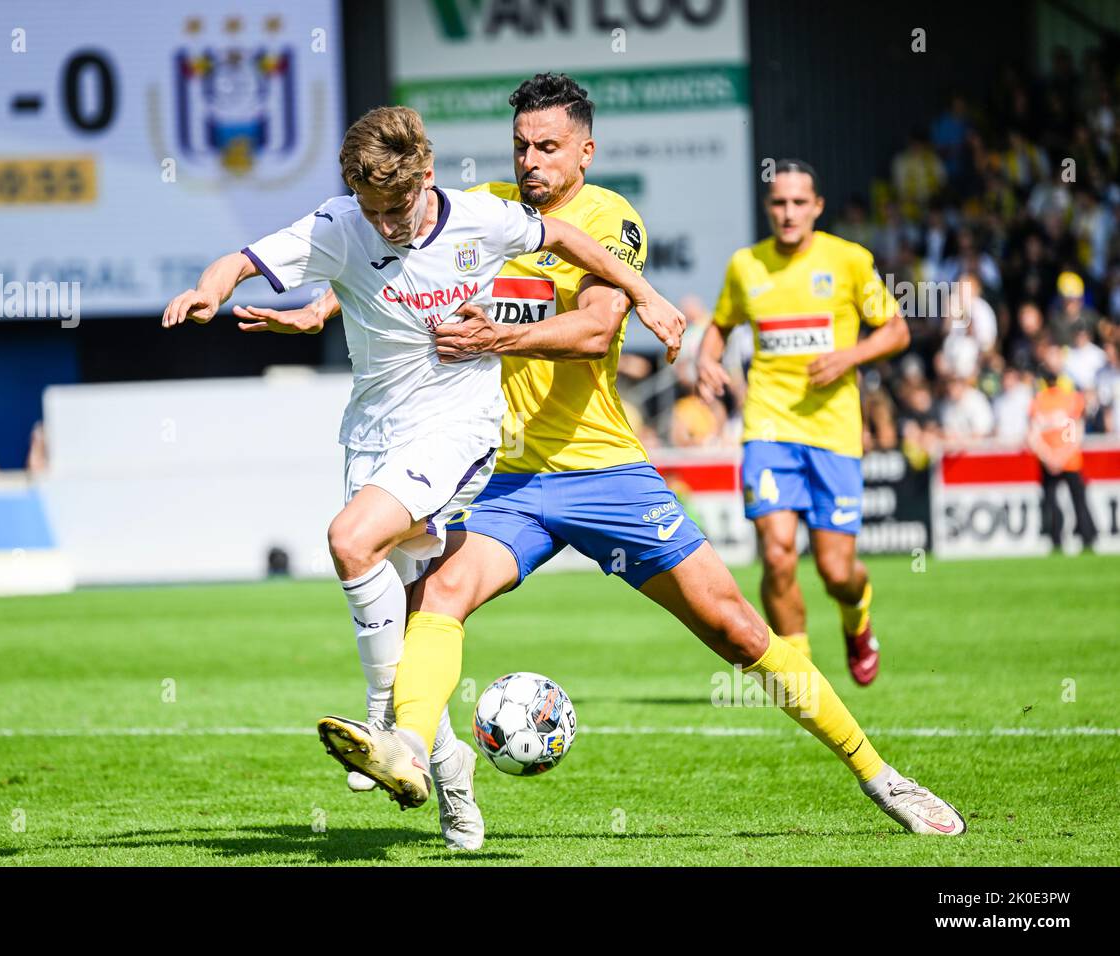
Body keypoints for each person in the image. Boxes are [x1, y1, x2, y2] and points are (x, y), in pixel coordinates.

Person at [291, 82, 963, 841]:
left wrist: (497, 338)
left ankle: (882, 776)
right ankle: (408, 750)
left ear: (586, 150)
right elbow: (402, 264)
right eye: (521, 145)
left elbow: (591, 328)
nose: (531, 160)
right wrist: (325, 303)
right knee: (436, 601)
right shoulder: (483, 207)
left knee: (737, 629)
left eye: (548, 147)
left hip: (604, 473)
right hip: (506, 479)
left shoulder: (610, 220)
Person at [162, 104, 684, 850]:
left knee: (349, 541)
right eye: (373, 211)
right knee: (408, 623)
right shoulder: (342, 223)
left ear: (427, 176)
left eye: (398, 208)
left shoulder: (480, 219)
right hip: (373, 438)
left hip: (461, 431)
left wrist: (649, 294)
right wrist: (213, 292)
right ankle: (452, 778)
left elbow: (568, 237)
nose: (387, 225)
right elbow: (240, 261)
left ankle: (383, 723)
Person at [698, 159, 911, 686]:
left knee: (837, 571)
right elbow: (720, 325)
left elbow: (897, 330)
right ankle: (801, 674)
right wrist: (707, 357)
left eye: (798, 203)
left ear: (816, 206)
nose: (788, 212)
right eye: (778, 203)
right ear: (768, 208)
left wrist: (850, 357)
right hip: (768, 427)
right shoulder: (746, 265)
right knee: (777, 554)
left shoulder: (849, 261)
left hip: (833, 432)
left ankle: (856, 617)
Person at [1028, 347, 1098, 552]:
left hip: (1058, 459)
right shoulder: (1061, 399)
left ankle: (1070, 538)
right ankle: (1076, 538)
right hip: (1062, 458)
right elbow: (1074, 431)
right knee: (1067, 501)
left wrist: (1052, 456)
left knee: (1064, 501)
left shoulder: (1049, 400)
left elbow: (1036, 434)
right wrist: (1055, 456)